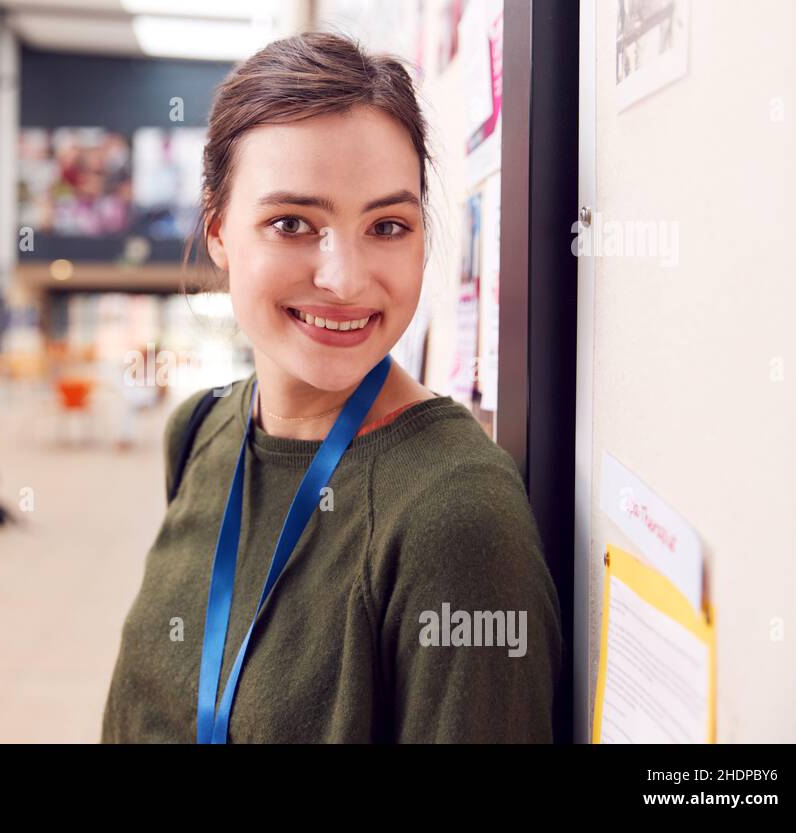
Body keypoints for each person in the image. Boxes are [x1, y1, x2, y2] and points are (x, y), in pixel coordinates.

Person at [101, 33, 561, 743]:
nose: (344, 278)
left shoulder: (457, 517)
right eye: (293, 223)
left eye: (387, 225)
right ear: (219, 231)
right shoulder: (201, 430)